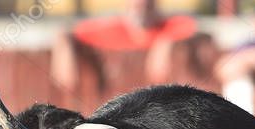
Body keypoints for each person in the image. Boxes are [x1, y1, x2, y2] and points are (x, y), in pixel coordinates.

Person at [50, 0, 197, 89]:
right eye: (137, 5)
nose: (142, 6)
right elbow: (68, 32)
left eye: (147, 4)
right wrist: (65, 46)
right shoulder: (113, 28)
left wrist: (165, 42)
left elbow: (191, 26)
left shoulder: (168, 27)